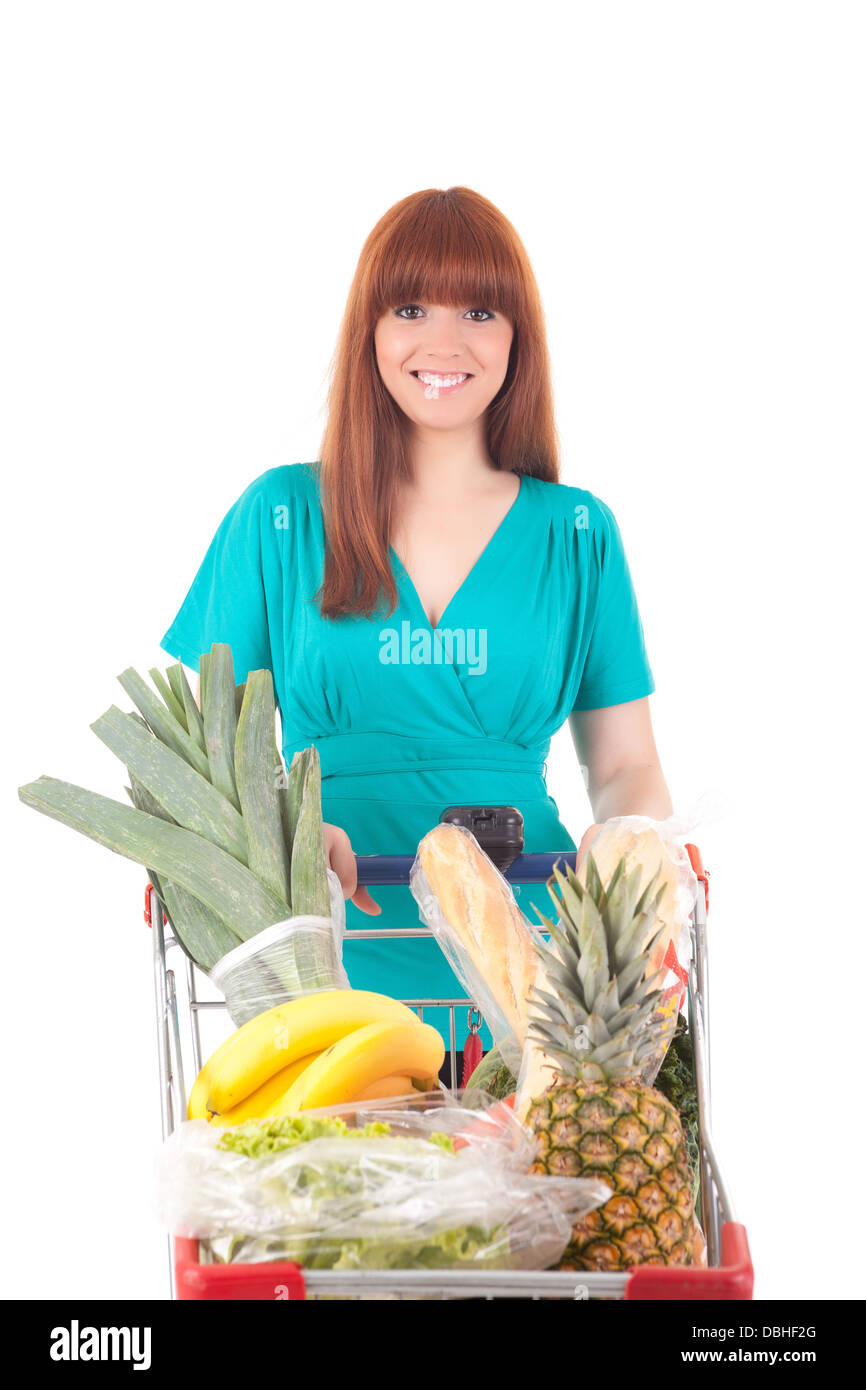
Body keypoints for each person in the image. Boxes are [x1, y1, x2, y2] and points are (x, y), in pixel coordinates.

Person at [160, 185, 673, 1071]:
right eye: (410, 308)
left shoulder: (577, 533)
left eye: (480, 309)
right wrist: (280, 829)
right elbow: (197, 763)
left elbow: (626, 764)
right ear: (370, 332)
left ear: (519, 338)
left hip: (536, 971)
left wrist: (628, 835)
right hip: (329, 972)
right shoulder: (279, 516)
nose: (444, 343)